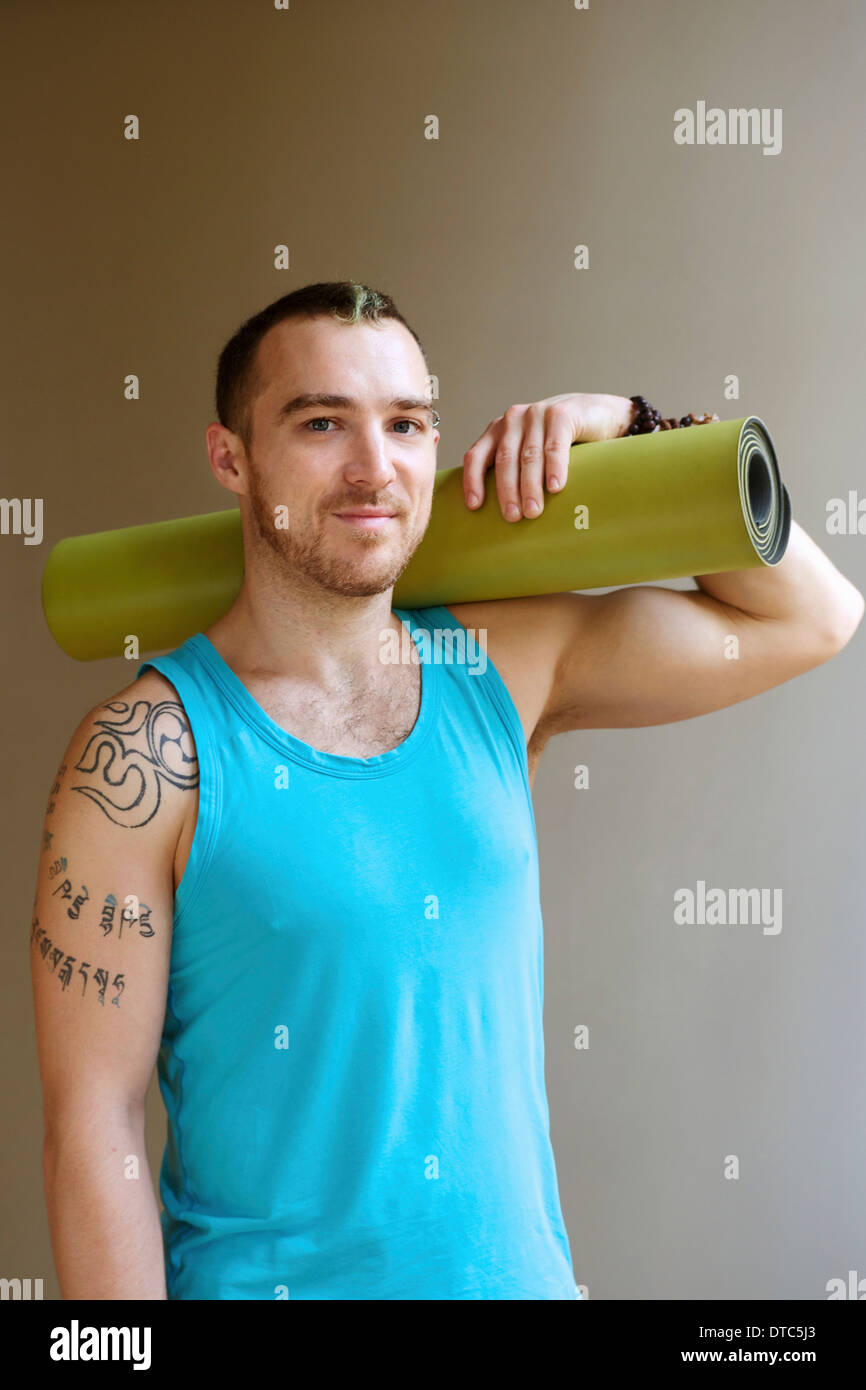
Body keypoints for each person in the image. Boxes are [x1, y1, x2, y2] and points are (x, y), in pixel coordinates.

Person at [30, 281, 863, 1300]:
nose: (373, 467)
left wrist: (630, 425)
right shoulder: (147, 755)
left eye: (407, 422)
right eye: (322, 421)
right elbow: (92, 1123)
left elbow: (814, 616)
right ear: (230, 459)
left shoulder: (500, 666)